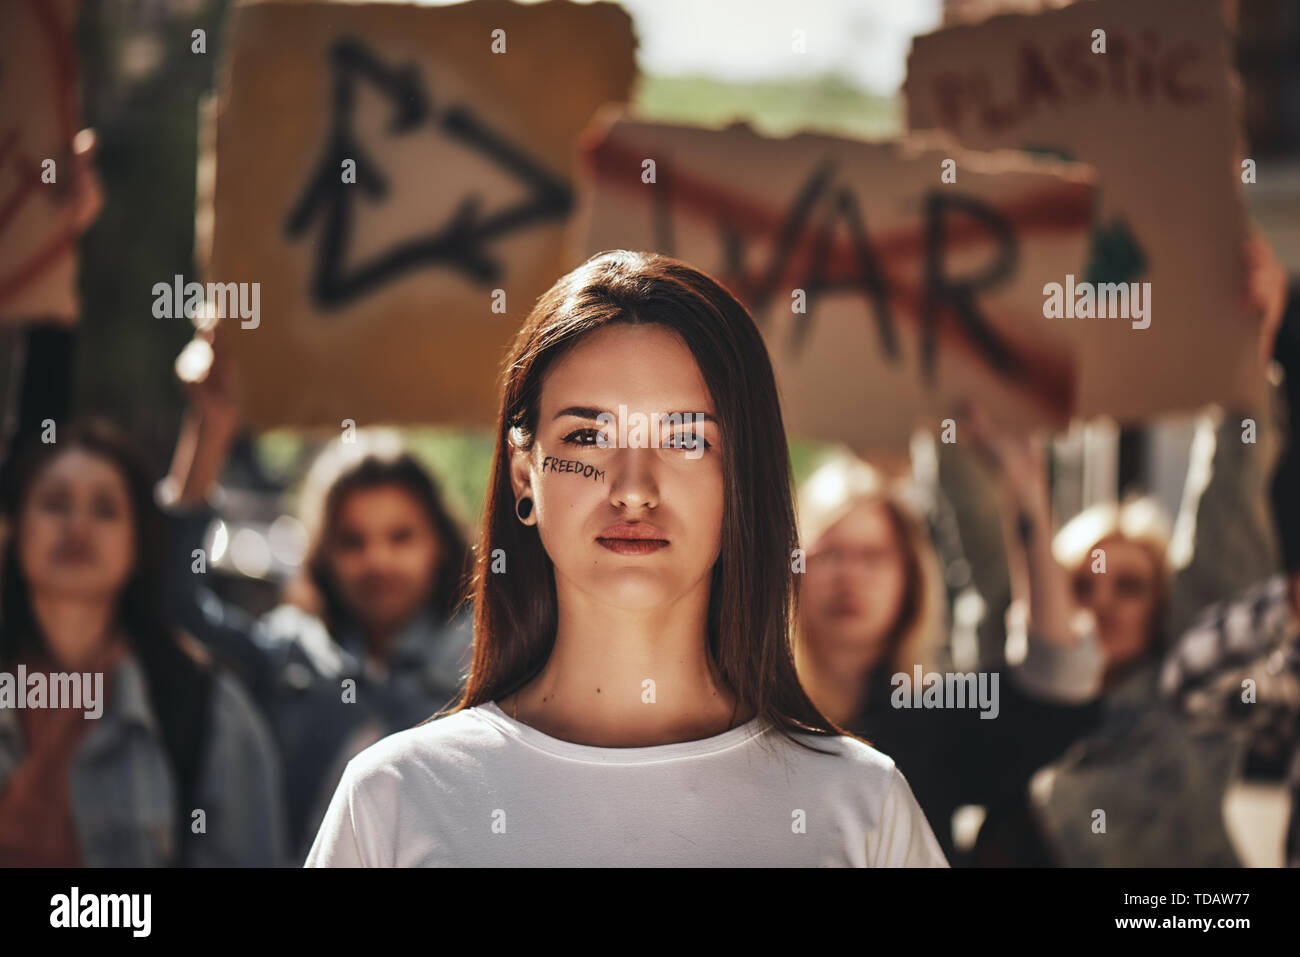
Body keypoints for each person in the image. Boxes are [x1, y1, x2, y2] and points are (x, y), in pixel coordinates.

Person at [305, 249, 948, 867]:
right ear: (525, 474)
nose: (634, 488)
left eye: (685, 438)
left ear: (742, 476)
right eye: (587, 436)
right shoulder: (392, 800)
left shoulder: (861, 806)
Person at [161, 357, 477, 859]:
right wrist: (210, 425)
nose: (378, 560)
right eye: (353, 541)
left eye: (401, 537)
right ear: (323, 557)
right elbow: (174, 609)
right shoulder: (289, 656)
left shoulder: (492, 664)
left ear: (440, 544)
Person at [794, 450, 1106, 863]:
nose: (850, 575)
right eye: (829, 554)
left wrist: (1027, 489)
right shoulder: (744, 714)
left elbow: (1058, 680)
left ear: (910, 580)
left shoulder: (933, 715)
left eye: (873, 556)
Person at [0, 420, 285, 866]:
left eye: (105, 509)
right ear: (13, 531)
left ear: (139, 544)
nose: (78, 527)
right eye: (55, 504)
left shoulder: (204, 708)